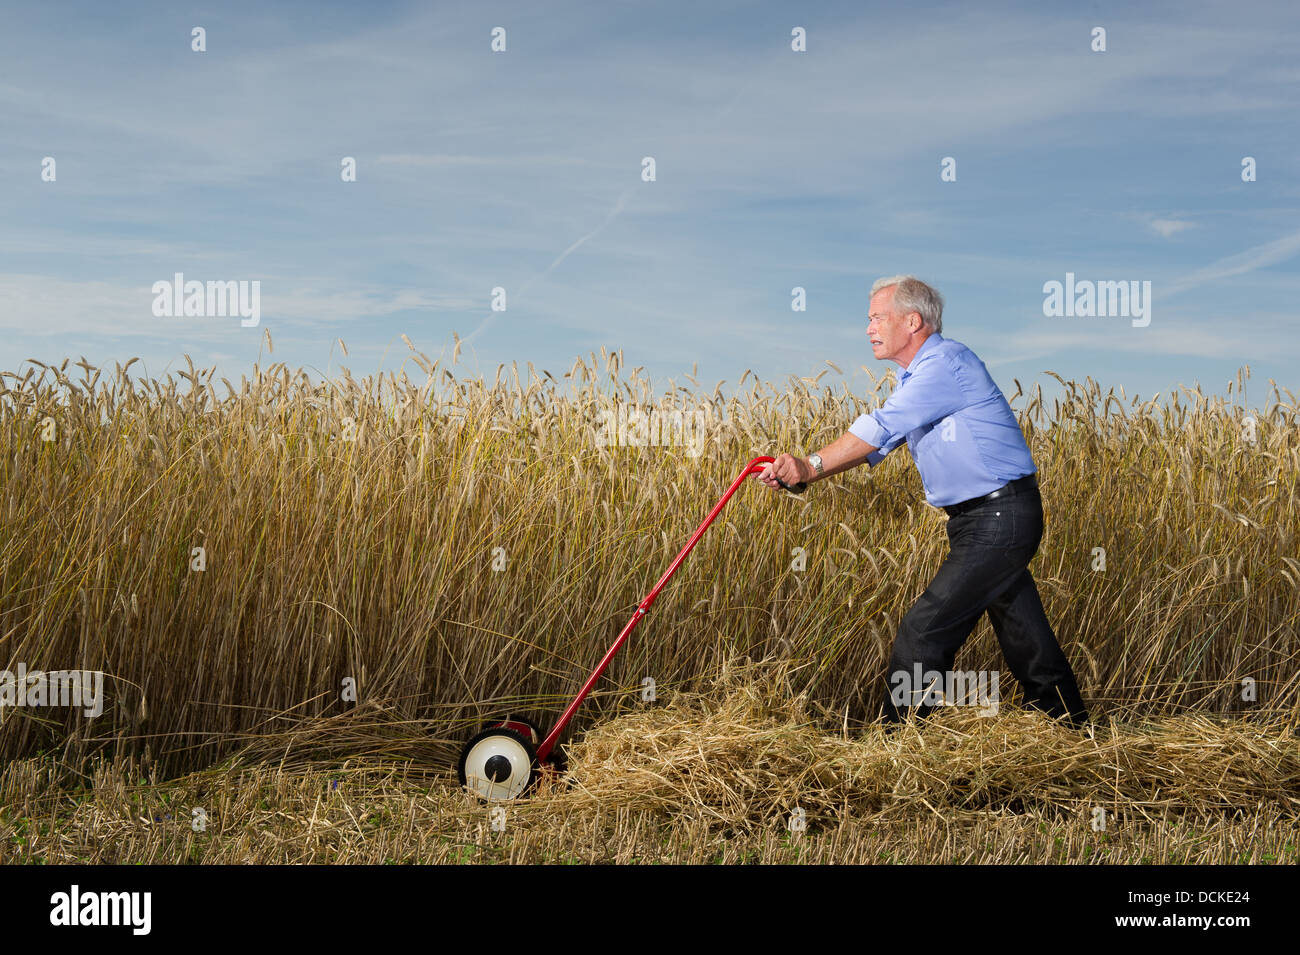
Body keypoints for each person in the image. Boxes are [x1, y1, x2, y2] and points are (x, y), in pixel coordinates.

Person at [757, 275, 1090, 727]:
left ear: (912, 320)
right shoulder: (918, 376)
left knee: (923, 629)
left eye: (877, 317)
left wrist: (807, 465)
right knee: (1023, 631)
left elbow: (880, 426)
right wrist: (800, 475)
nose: (868, 327)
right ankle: (1070, 727)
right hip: (983, 520)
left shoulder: (945, 363)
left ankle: (902, 747)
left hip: (999, 517)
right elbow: (878, 444)